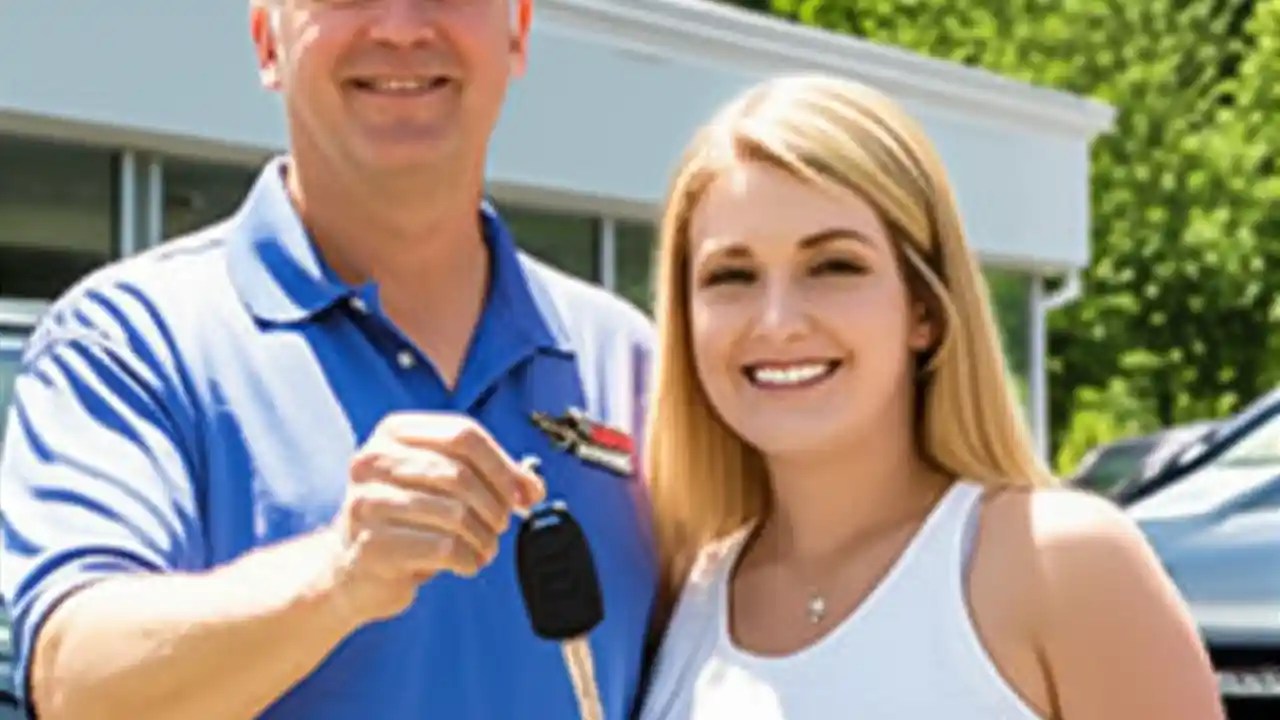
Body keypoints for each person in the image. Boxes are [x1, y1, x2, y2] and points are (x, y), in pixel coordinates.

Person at [0, 1, 657, 718]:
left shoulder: (626, 360)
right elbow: (76, 689)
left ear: (518, 33)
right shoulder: (127, 343)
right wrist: (338, 574)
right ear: (267, 43)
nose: (402, 28)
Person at [637, 74, 1225, 719]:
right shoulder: (684, 597)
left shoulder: (1060, 564)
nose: (777, 322)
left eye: (834, 266)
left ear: (924, 309)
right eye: (732, 275)